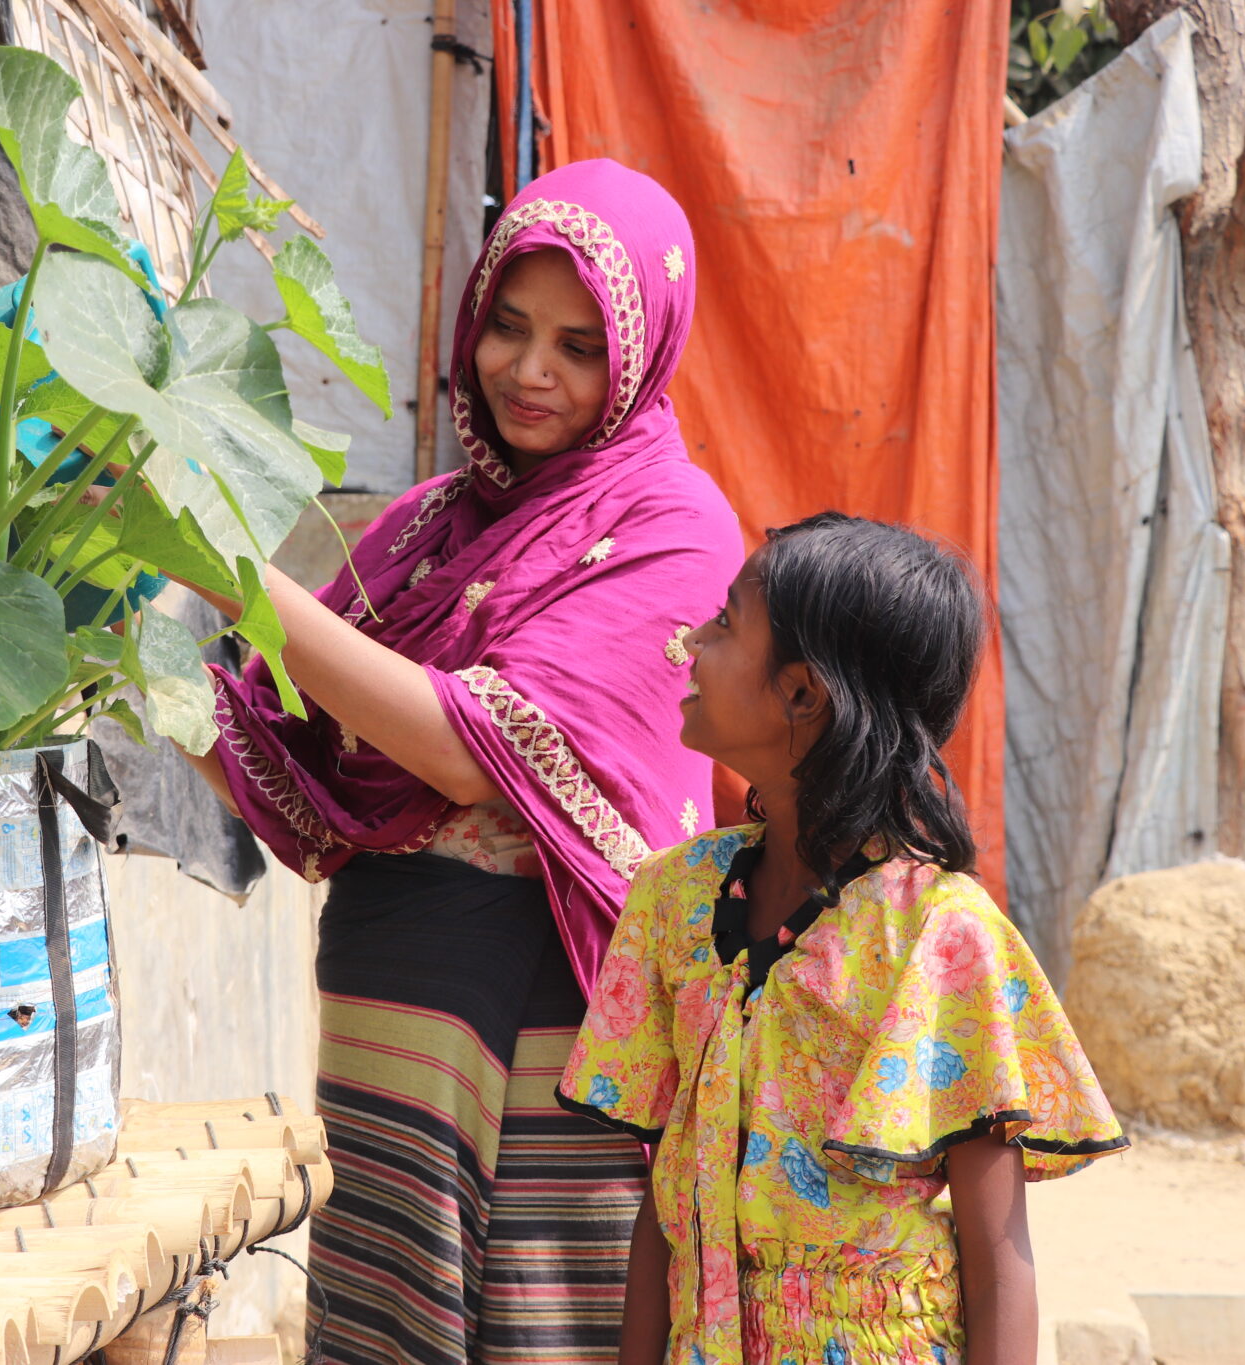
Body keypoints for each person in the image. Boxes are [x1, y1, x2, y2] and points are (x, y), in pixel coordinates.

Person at [176, 158, 744, 1363]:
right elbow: (292, 761)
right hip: (388, 1006)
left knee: (547, 1331)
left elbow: (472, 753)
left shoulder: (671, 526)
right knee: (381, 1329)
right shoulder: (424, 528)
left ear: (640, 355)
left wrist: (230, 574)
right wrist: (134, 667)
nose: (528, 371)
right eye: (507, 326)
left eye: (578, 347)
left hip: (556, 1031)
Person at [557, 513, 1129, 1365]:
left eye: (724, 623)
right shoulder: (672, 897)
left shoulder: (941, 934)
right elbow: (670, 1204)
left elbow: (998, 1259)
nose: (690, 643)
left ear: (802, 693)